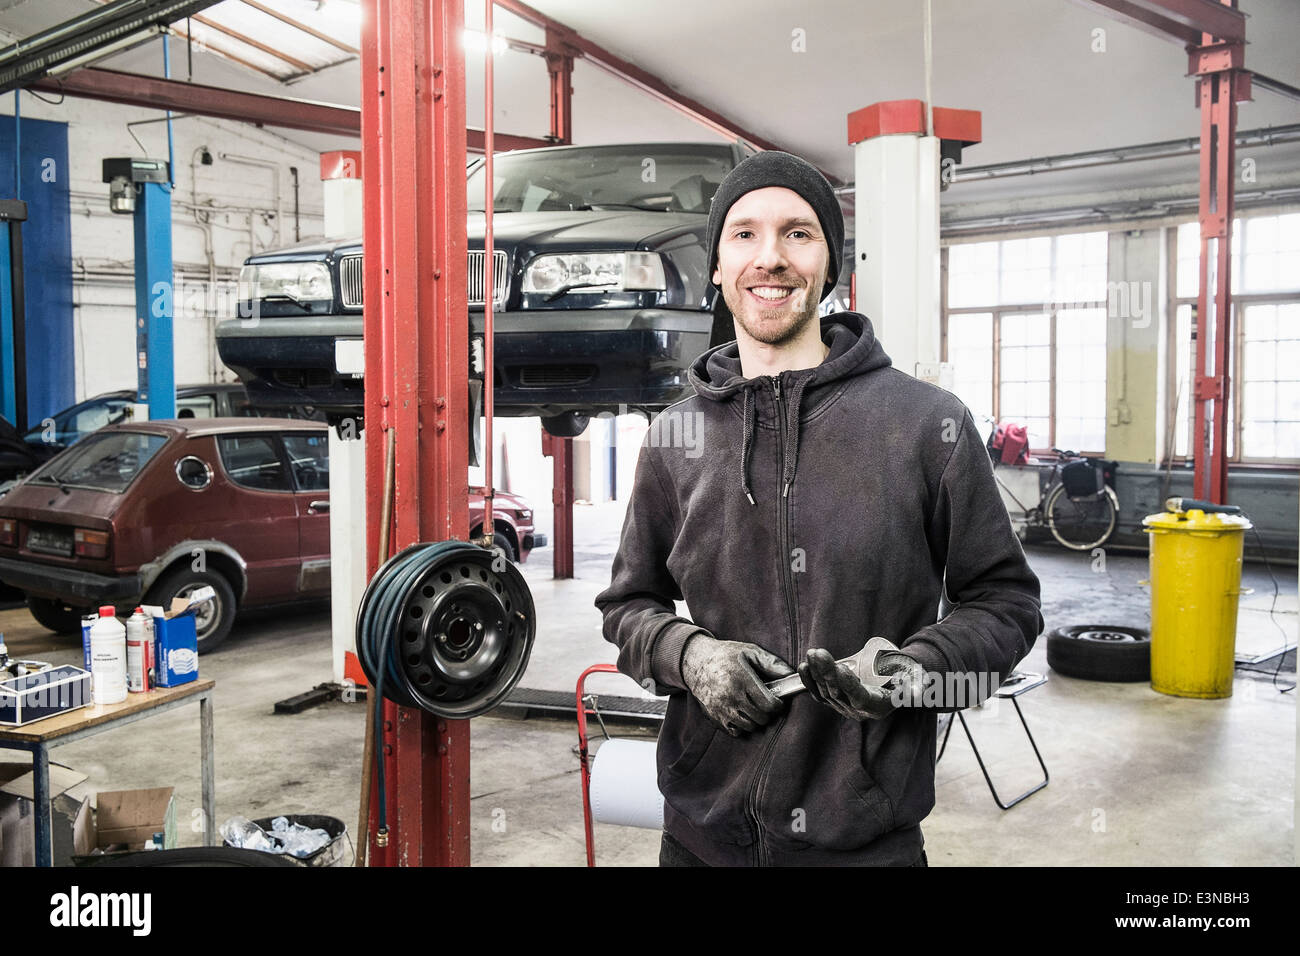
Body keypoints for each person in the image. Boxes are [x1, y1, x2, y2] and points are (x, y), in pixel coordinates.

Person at [594, 150, 1044, 867]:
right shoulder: (672, 438)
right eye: (744, 234)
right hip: (700, 838)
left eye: (797, 233)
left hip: (863, 843)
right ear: (716, 265)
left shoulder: (926, 426)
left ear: (829, 265)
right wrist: (691, 654)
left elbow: (1005, 604)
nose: (769, 258)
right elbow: (628, 608)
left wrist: (914, 670)